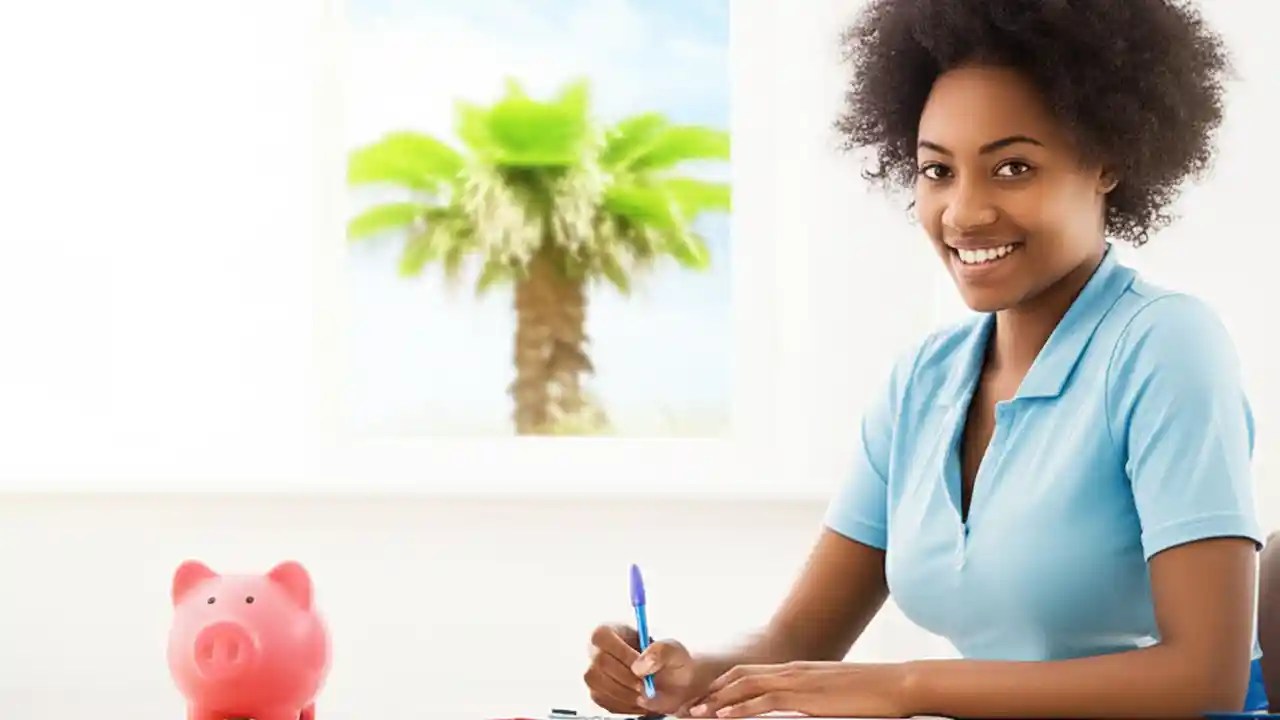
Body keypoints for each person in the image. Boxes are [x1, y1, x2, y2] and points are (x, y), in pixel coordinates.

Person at [583, 0, 1267, 717]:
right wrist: (681, 677)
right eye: (937, 171)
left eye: (1011, 167)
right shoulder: (925, 383)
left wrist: (907, 686)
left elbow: (1204, 678)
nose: (964, 212)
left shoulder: (1166, 347)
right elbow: (797, 638)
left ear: (1107, 162)